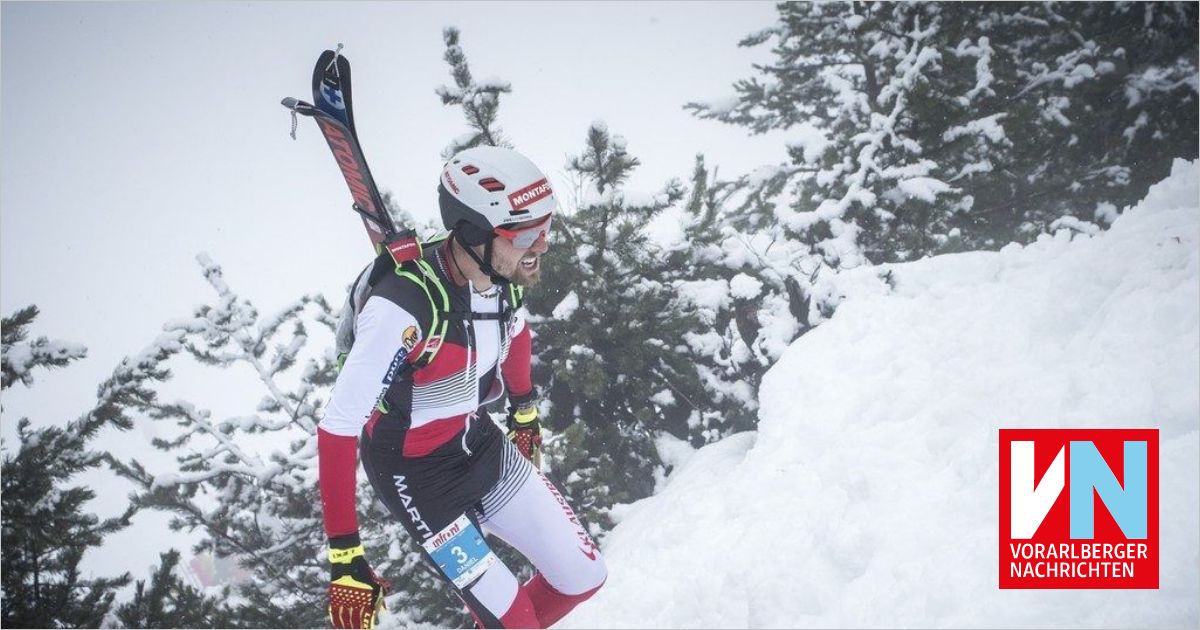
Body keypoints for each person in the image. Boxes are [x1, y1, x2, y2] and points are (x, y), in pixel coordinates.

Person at [317, 146, 606, 629]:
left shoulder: (502, 279)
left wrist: (524, 413)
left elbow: (515, 333)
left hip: (478, 445)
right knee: (515, 624)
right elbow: (338, 426)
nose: (542, 248)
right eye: (527, 235)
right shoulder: (403, 310)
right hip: (419, 482)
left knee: (583, 574)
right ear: (474, 234)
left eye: (547, 229)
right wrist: (345, 556)